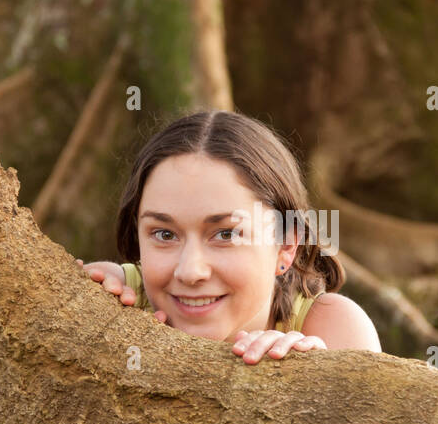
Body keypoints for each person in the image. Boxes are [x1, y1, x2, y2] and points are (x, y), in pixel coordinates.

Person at [77, 110, 381, 365]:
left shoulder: (334, 329)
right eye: (165, 234)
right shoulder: (120, 300)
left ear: (286, 246)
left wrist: (312, 385)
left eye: (225, 234)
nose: (190, 271)